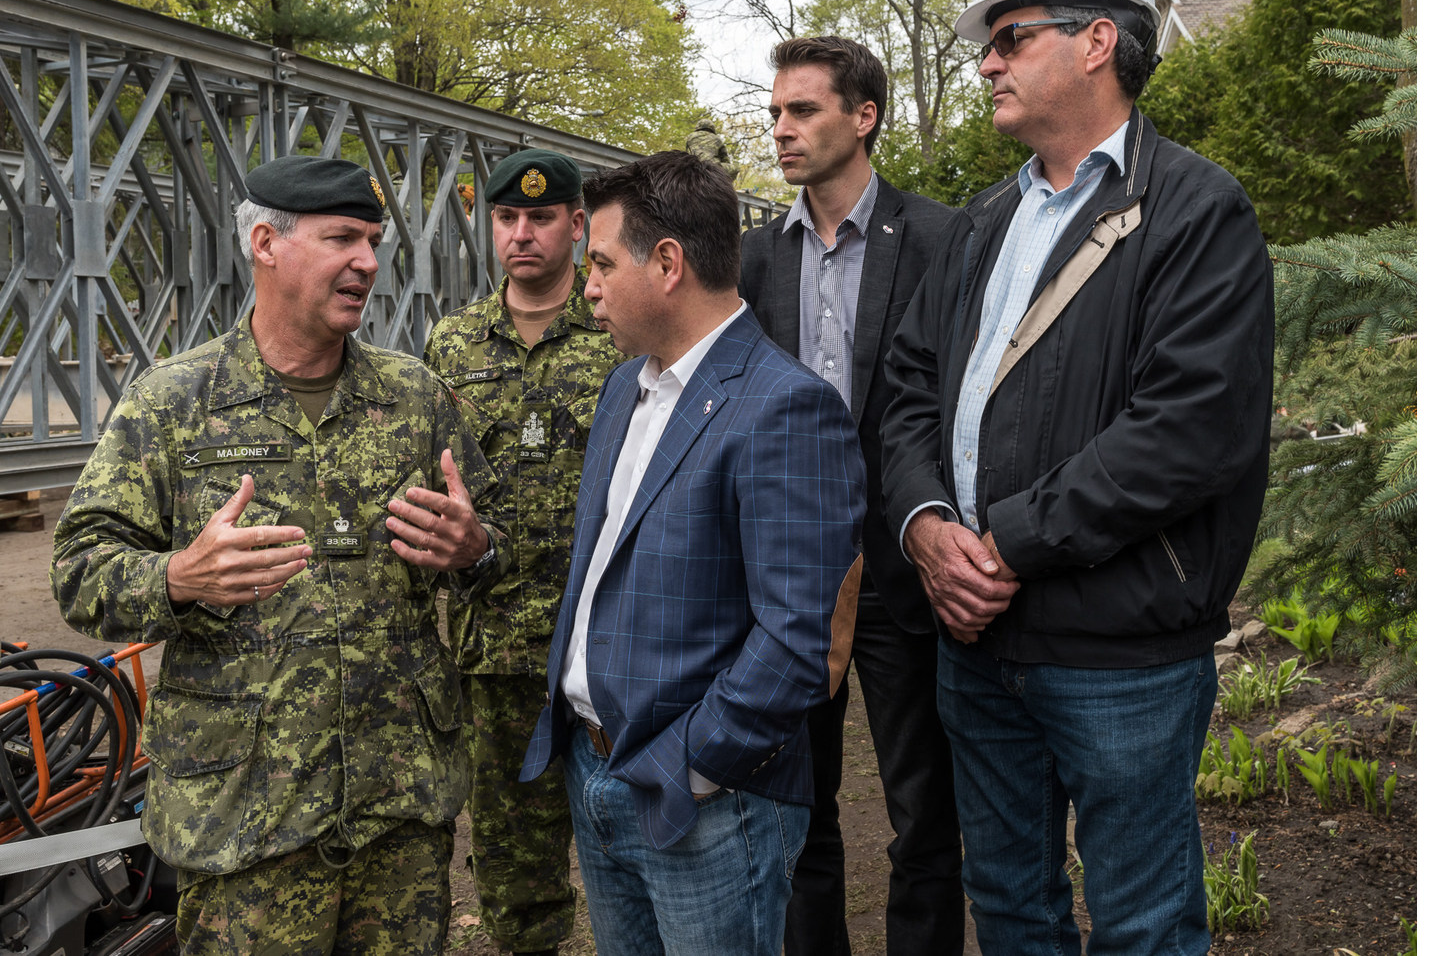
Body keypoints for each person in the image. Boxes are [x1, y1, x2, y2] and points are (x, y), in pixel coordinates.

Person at [879, 0, 1275, 955]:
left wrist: (1003, 544)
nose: (987, 62)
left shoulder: (1195, 208)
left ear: (1098, 40)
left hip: (1121, 654)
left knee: (1142, 924)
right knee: (1010, 908)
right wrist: (926, 524)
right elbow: (910, 389)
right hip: (977, 643)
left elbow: (1189, 429)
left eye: (1010, 37)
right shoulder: (980, 225)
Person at [52, 154, 509, 956]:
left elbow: (493, 548)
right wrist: (178, 577)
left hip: (397, 809)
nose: (368, 261)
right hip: (245, 822)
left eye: (372, 241)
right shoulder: (174, 401)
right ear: (266, 242)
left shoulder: (414, 398)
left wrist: (472, 549)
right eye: (342, 239)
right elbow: (81, 570)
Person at [518, 150, 865, 956]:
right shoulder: (624, 387)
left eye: (600, 262)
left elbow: (797, 643)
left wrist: (689, 767)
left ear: (668, 262)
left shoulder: (786, 408)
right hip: (597, 770)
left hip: (707, 801)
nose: (588, 285)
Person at [738, 35, 967, 956]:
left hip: (906, 566)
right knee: (800, 806)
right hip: (792, 576)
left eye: (803, 111)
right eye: (776, 113)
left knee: (926, 812)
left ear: (863, 116)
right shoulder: (752, 262)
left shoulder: (946, 237)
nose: (782, 130)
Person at [421, 149, 621, 956]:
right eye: (508, 218)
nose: (523, 233)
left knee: (630, 842)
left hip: (611, 641)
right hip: (499, 652)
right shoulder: (453, 344)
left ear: (577, 224)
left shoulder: (618, 327)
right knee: (513, 864)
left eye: (542, 217)